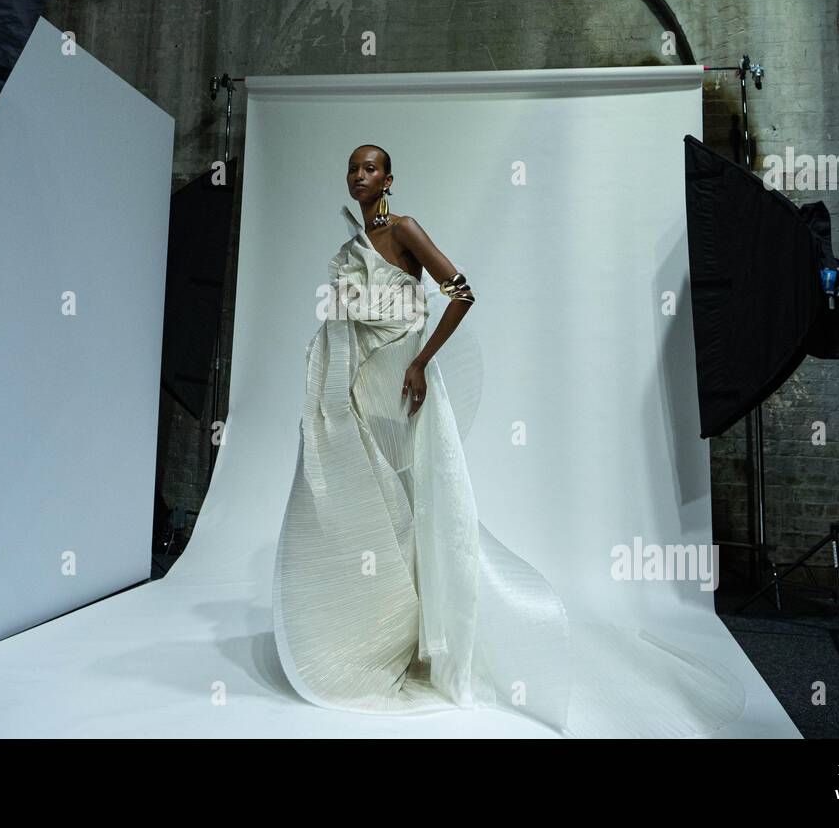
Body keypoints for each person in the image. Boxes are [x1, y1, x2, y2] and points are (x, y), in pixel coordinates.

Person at [271, 145, 748, 737]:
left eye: (370, 168)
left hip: (403, 384)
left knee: (420, 506)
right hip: (363, 389)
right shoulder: (352, 243)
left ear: (389, 178)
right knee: (377, 505)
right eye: (351, 167)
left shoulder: (404, 229)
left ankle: (431, 635)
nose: (358, 176)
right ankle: (380, 629)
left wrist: (420, 361)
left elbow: (463, 292)